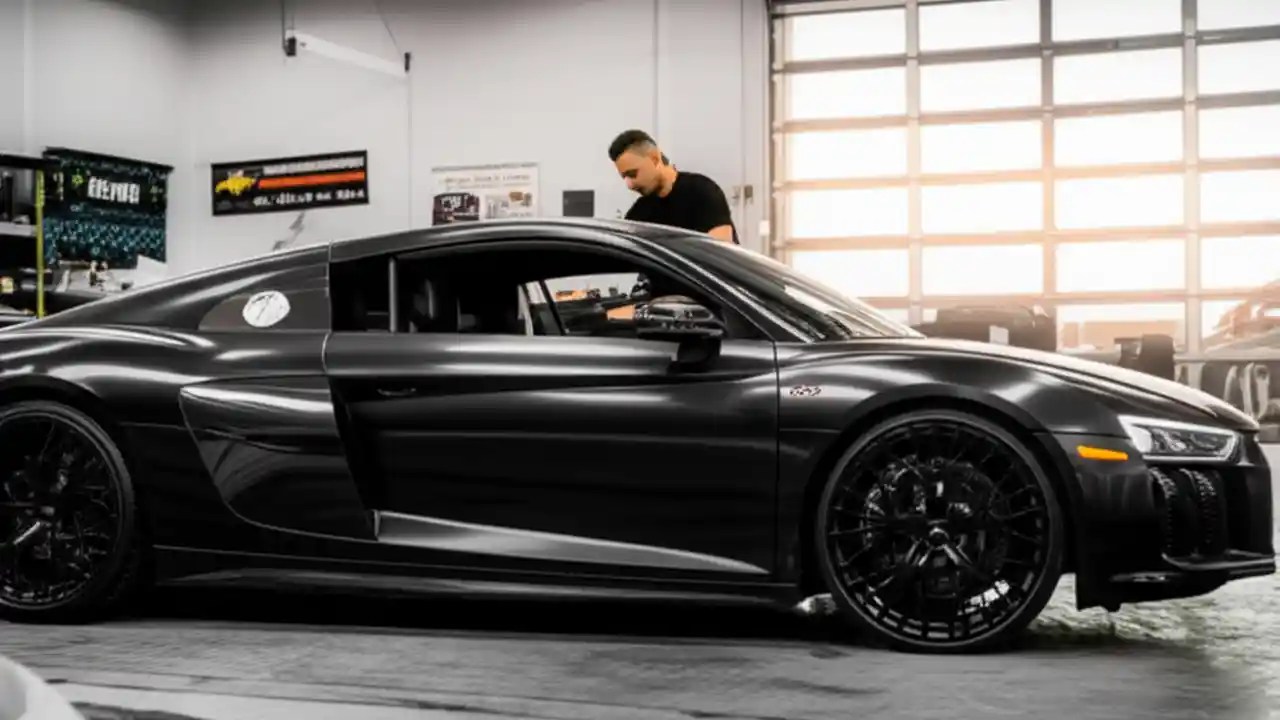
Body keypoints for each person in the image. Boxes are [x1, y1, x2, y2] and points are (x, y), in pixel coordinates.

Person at [608, 129, 738, 245]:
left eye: (633, 174)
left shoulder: (701, 192)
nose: (630, 185)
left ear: (655, 158)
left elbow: (721, 253)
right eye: (624, 177)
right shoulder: (640, 212)